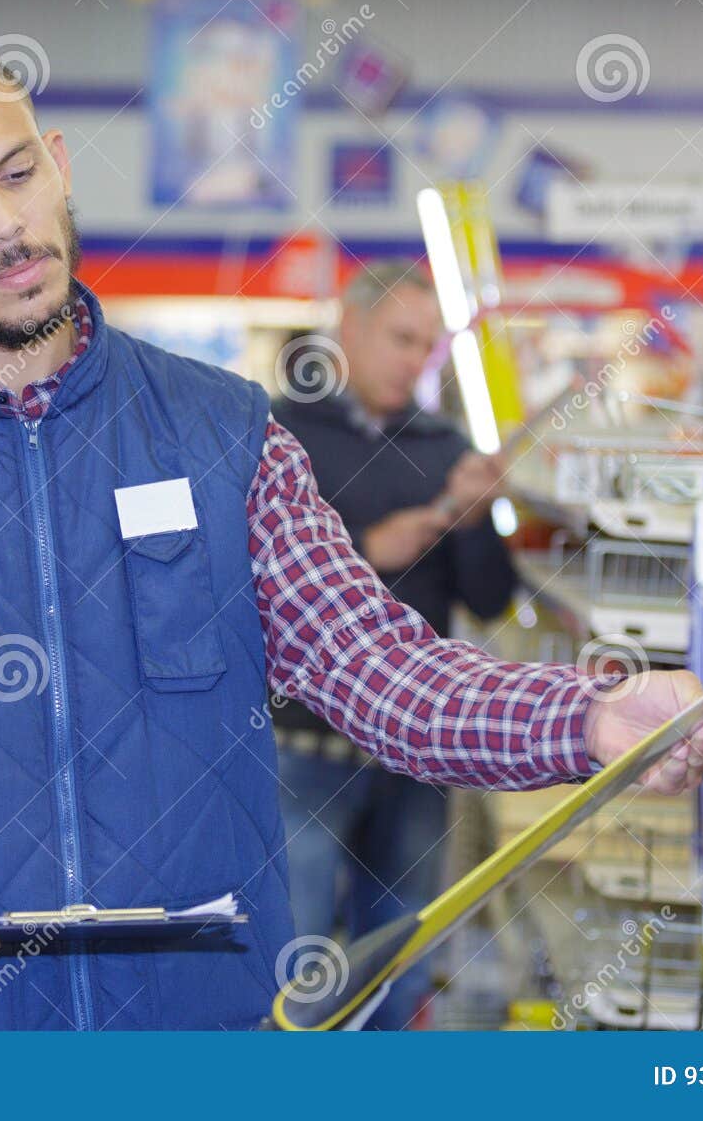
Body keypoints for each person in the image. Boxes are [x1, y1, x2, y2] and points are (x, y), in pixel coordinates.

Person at [0, 15, 703, 1032]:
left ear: (59, 163)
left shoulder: (222, 432)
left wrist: (596, 717)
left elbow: (381, 673)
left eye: (16, 172)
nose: (5, 228)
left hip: (196, 1029)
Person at [272, 259, 516, 1030]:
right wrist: (364, 548)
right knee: (296, 956)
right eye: (401, 339)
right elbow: (245, 583)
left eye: (429, 348)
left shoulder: (447, 449)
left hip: (414, 749)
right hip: (303, 747)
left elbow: (489, 598)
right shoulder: (279, 437)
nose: (416, 361)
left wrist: (475, 521)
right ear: (351, 330)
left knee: (402, 947)